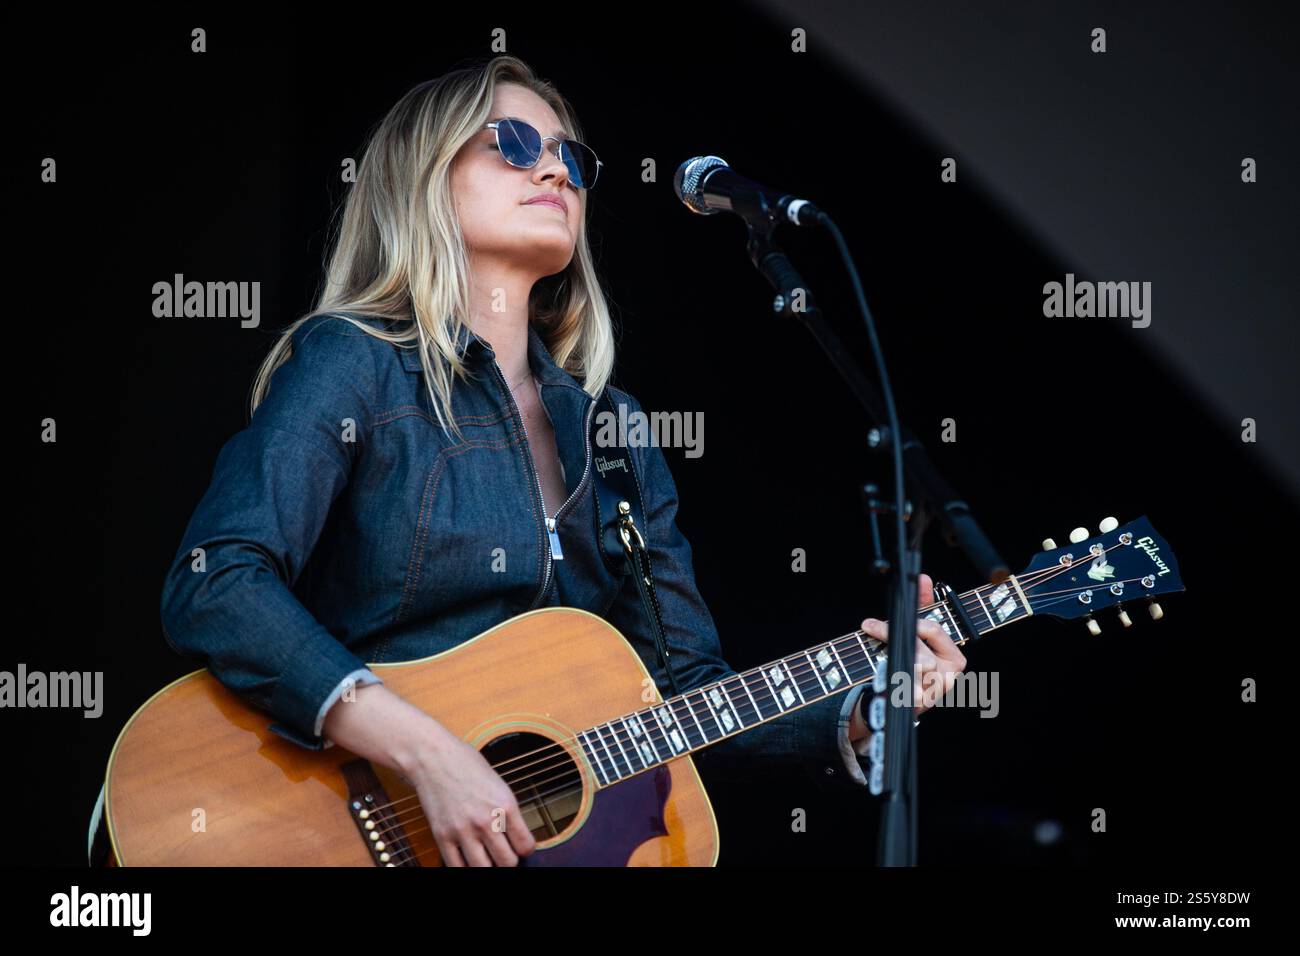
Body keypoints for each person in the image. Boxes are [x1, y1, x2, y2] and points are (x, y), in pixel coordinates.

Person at [158, 54, 967, 867]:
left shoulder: (615, 431)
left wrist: (862, 709)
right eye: (511, 143)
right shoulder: (356, 364)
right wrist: (427, 753)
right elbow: (217, 580)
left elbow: (685, 702)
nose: (554, 170)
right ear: (422, 176)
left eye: (571, 159)